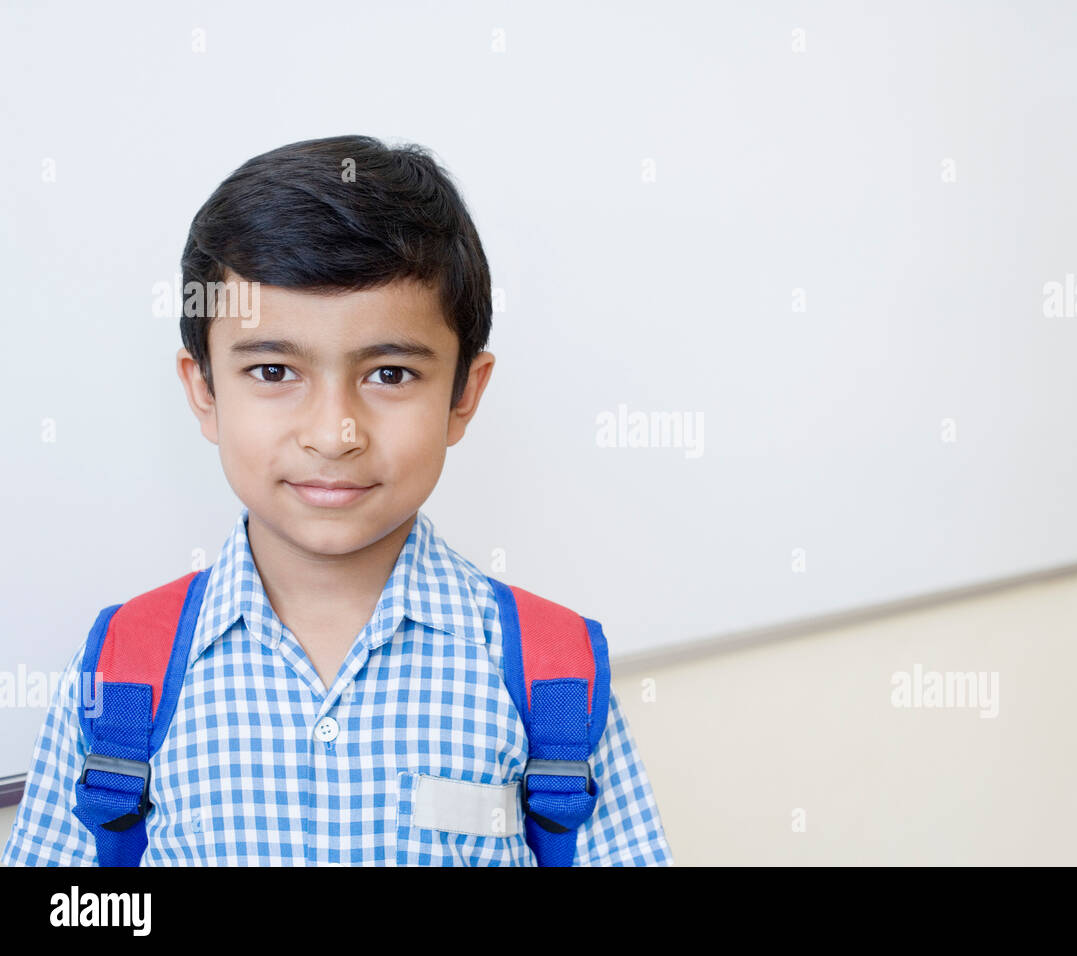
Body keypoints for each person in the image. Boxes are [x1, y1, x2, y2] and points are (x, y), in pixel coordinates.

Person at [1, 135, 672, 866]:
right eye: (272, 369)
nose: (334, 432)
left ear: (463, 396)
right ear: (204, 390)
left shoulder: (553, 676)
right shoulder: (123, 671)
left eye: (388, 375)